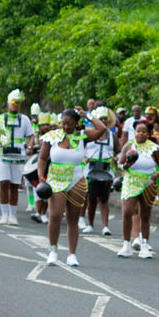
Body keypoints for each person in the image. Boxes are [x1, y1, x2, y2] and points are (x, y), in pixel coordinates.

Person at [38, 108, 111, 266]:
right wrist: (41, 176)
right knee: (55, 215)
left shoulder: (82, 136)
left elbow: (102, 129)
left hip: (76, 178)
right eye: (63, 123)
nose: (65, 127)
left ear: (76, 123)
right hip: (56, 178)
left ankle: (72, 254)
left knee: (73, 218)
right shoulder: (52, 137)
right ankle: (53, 250)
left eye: (69, 124)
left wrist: (87, 116)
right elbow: (42, 158)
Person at [116, 119, 159, 259]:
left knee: (145, 214)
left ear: (148, 134)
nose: (140, 134)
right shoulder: (129, 146)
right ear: (135, 132)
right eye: (138, 131)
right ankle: (126, 244)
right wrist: (125, 165)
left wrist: (158, 173)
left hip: (148, 182)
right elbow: (119, 165)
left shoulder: (154, 147)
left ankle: (144, 245)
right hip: (131, 181)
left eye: (144, 132)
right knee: (127, 212)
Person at [0, 90, 35, 226]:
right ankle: (4, 214)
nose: (15, 105)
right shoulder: (0, 118)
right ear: (8, 104)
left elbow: (31, 136)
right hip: (2, 154)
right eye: (13, 103)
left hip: (18, 154)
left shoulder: (25, 119)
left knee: (14, 185)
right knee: (4, 183)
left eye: (18, 103)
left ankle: (13, 214)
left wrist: (29, 146)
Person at [82, 105, 118, 235]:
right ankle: (90, 224)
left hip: (106, 170)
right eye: (100, 119)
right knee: (91, 198)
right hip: (91, 169)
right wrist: (84, 157)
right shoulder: (88, 134)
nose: (103, 121)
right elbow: (79, 147)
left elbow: (119, 152)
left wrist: (116, 158)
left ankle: (105, 226)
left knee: (104, 199)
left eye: (104, 119)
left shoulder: (112, 136)